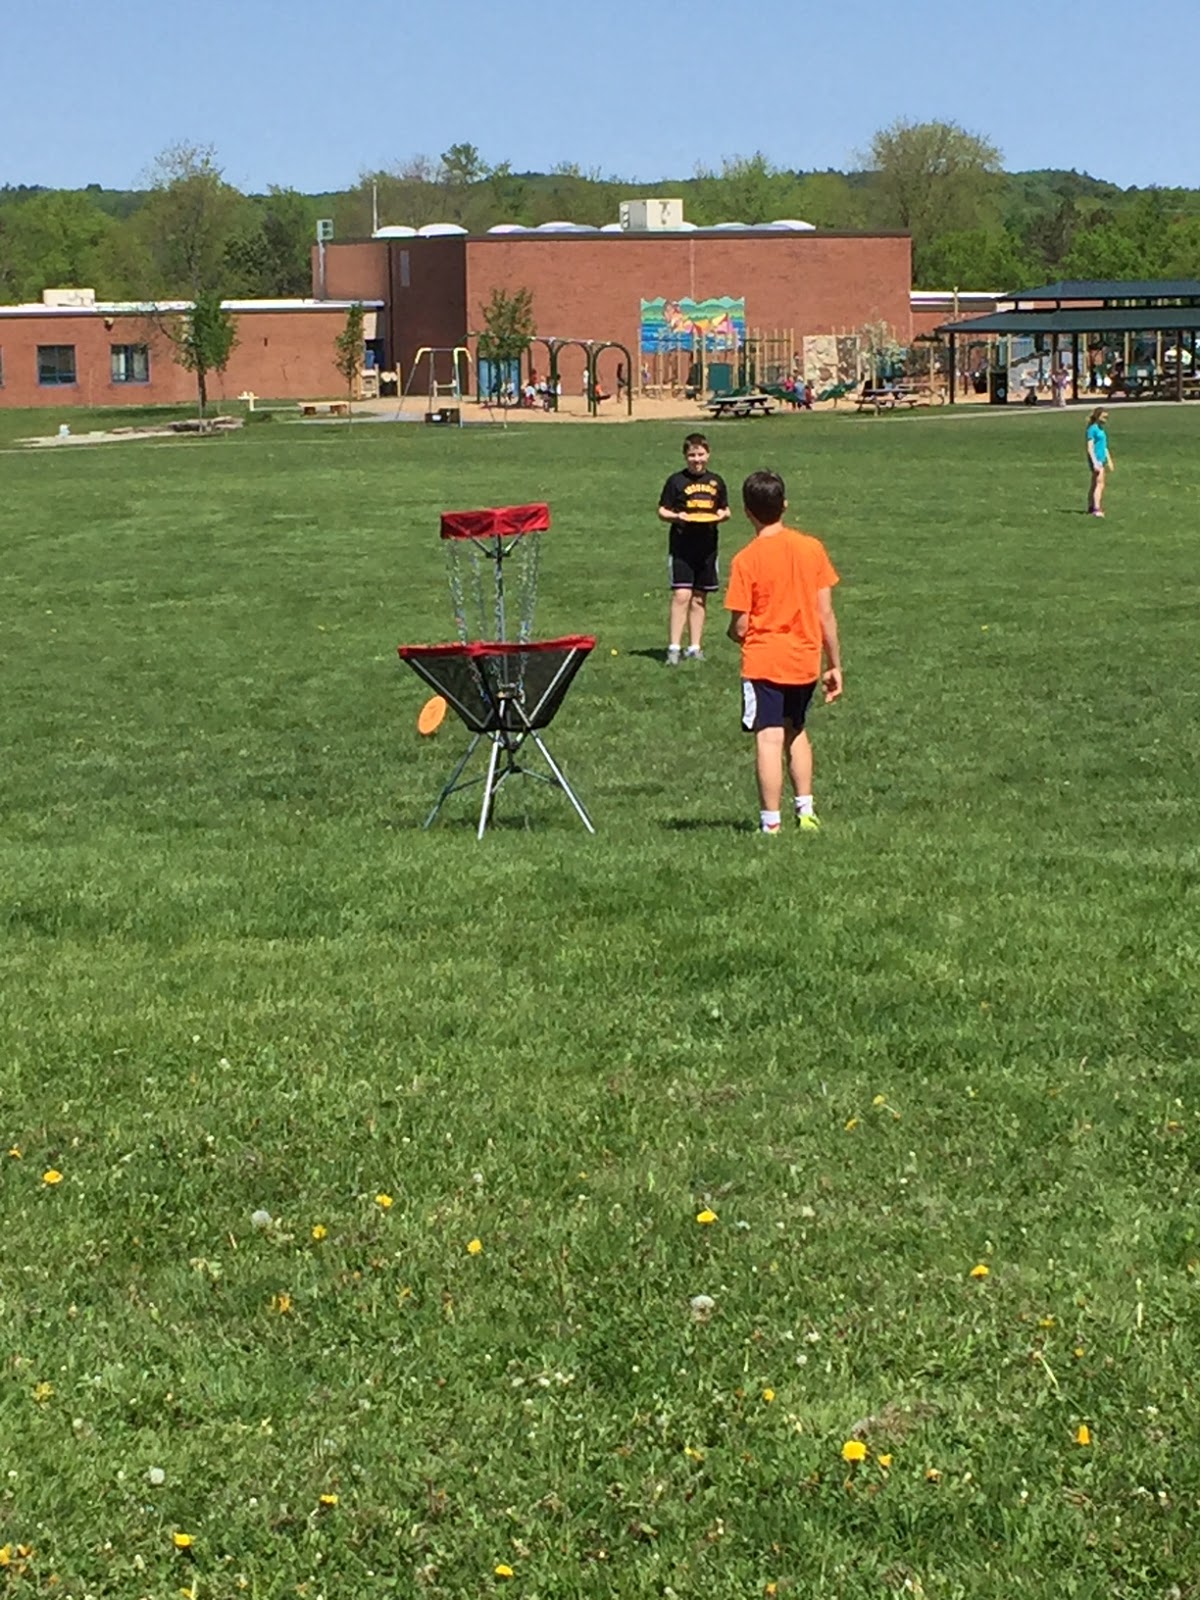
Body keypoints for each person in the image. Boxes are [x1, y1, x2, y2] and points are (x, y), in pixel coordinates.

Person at [724, 470, 842, 834]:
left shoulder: (746, 559)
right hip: (805, 658)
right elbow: (825, 613)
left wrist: (733, 633)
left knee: (768, 737)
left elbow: (741, 626)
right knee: (797, 731)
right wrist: (834, 664)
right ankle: (806, 811)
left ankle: (770, 823)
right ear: (785, 505)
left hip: (765, 661)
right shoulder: (812, 548)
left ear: (747, 512)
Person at [657, 433, 731, 664]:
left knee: (700, 597)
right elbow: (662, 510)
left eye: (700, 454)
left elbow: (725, 510)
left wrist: (722, 515)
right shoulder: (676, 481)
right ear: (685, 456)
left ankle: (695, 647)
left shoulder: (716, 481)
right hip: (682, 545)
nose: (696, 459)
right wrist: (677, 516)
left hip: (707, 546)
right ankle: (674, 647)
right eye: (692, 455)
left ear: (708, 455)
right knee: (682, 594)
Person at [1085, 407, 1114, 517]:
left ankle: (1091, 506)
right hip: (1096, 460)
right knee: (1099, 484)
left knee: (1095, 483)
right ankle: (1096, 508)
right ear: (1098, 416)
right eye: (1103, 417)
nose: (1105, 419)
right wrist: (1094, 462)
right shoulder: (1092, 429)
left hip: (1101, 459)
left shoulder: (1101, 429)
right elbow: (1090, 447)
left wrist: (1109, 460)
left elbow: (1104, 447)